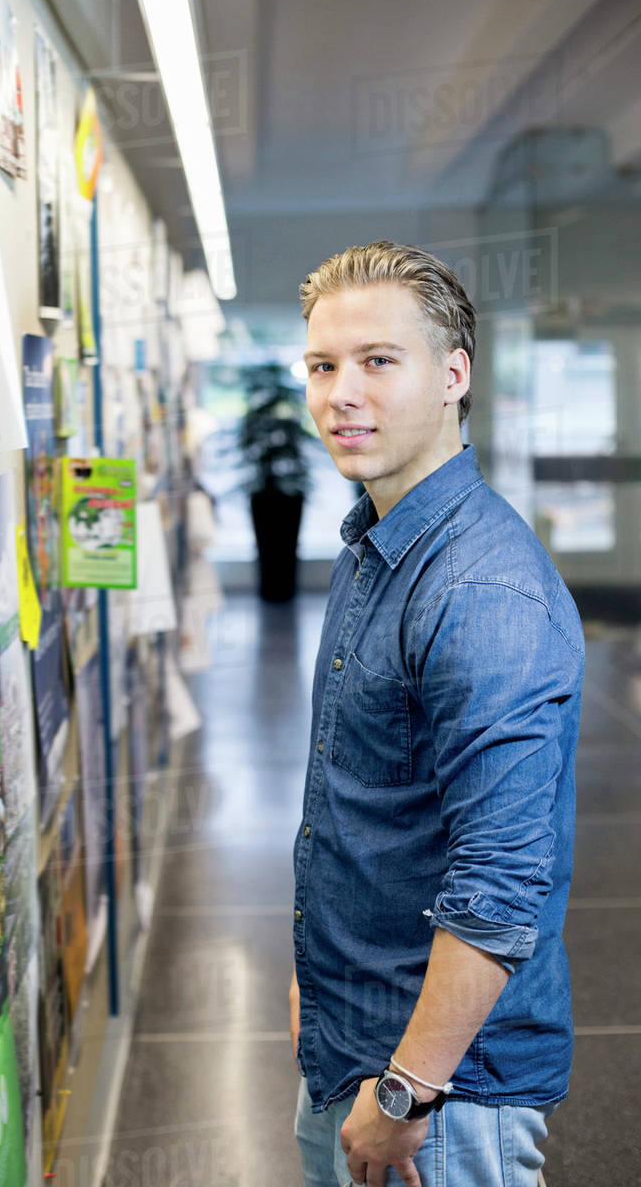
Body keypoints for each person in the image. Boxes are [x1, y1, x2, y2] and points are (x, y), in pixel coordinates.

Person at [290, 241, 585, 1187]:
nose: (342, 392)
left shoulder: (480, 587)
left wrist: (407, 1092)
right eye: (323, 365)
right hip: (358, 1039)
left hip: (444, 1095)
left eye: (379, 361)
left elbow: (500, 883)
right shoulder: (376, 543)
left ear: (455, 375)